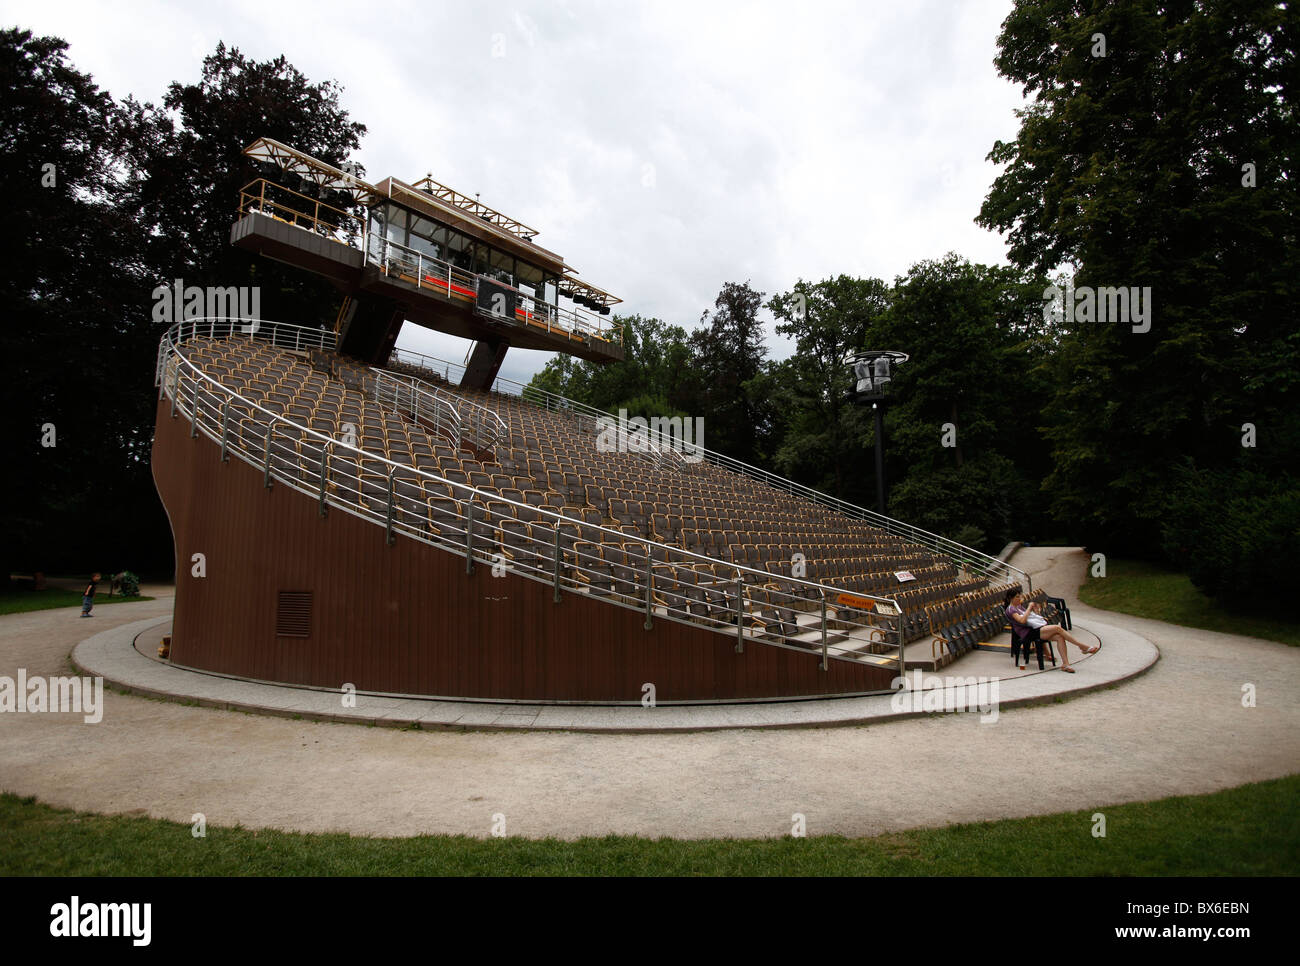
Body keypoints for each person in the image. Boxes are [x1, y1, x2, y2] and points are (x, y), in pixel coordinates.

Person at [1004, 590, 1096, 672]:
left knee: (1059, 637)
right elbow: (1022, 621)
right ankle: (1082, 646)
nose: (1019, 598)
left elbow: (1031, 618)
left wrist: (1035, 611)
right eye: (1017, 597)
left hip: (1034, 629)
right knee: (1057, 628)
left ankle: (1066, 664)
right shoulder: (1011, 610)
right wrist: (1029, 608)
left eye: (1020, 596)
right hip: (1028, 633)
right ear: (1010, 598)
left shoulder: (1019, 607)